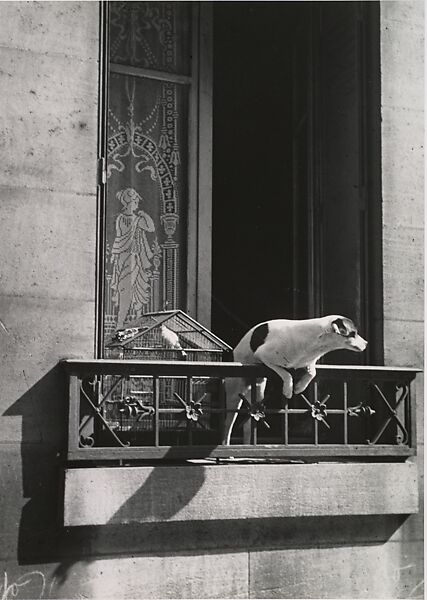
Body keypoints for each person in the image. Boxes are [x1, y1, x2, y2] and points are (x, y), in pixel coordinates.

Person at [110, 187, 156, 329]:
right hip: (125, 259)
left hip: (136, 260)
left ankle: (138, 325)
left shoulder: (137, 219)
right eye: (135, 201)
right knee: (125, 292)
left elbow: (151, 228)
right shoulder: (122, 219)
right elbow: (121, 237)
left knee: (139, 292)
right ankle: (120, 324)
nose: (137, 204)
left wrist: (145, 215)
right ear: (130, 202)